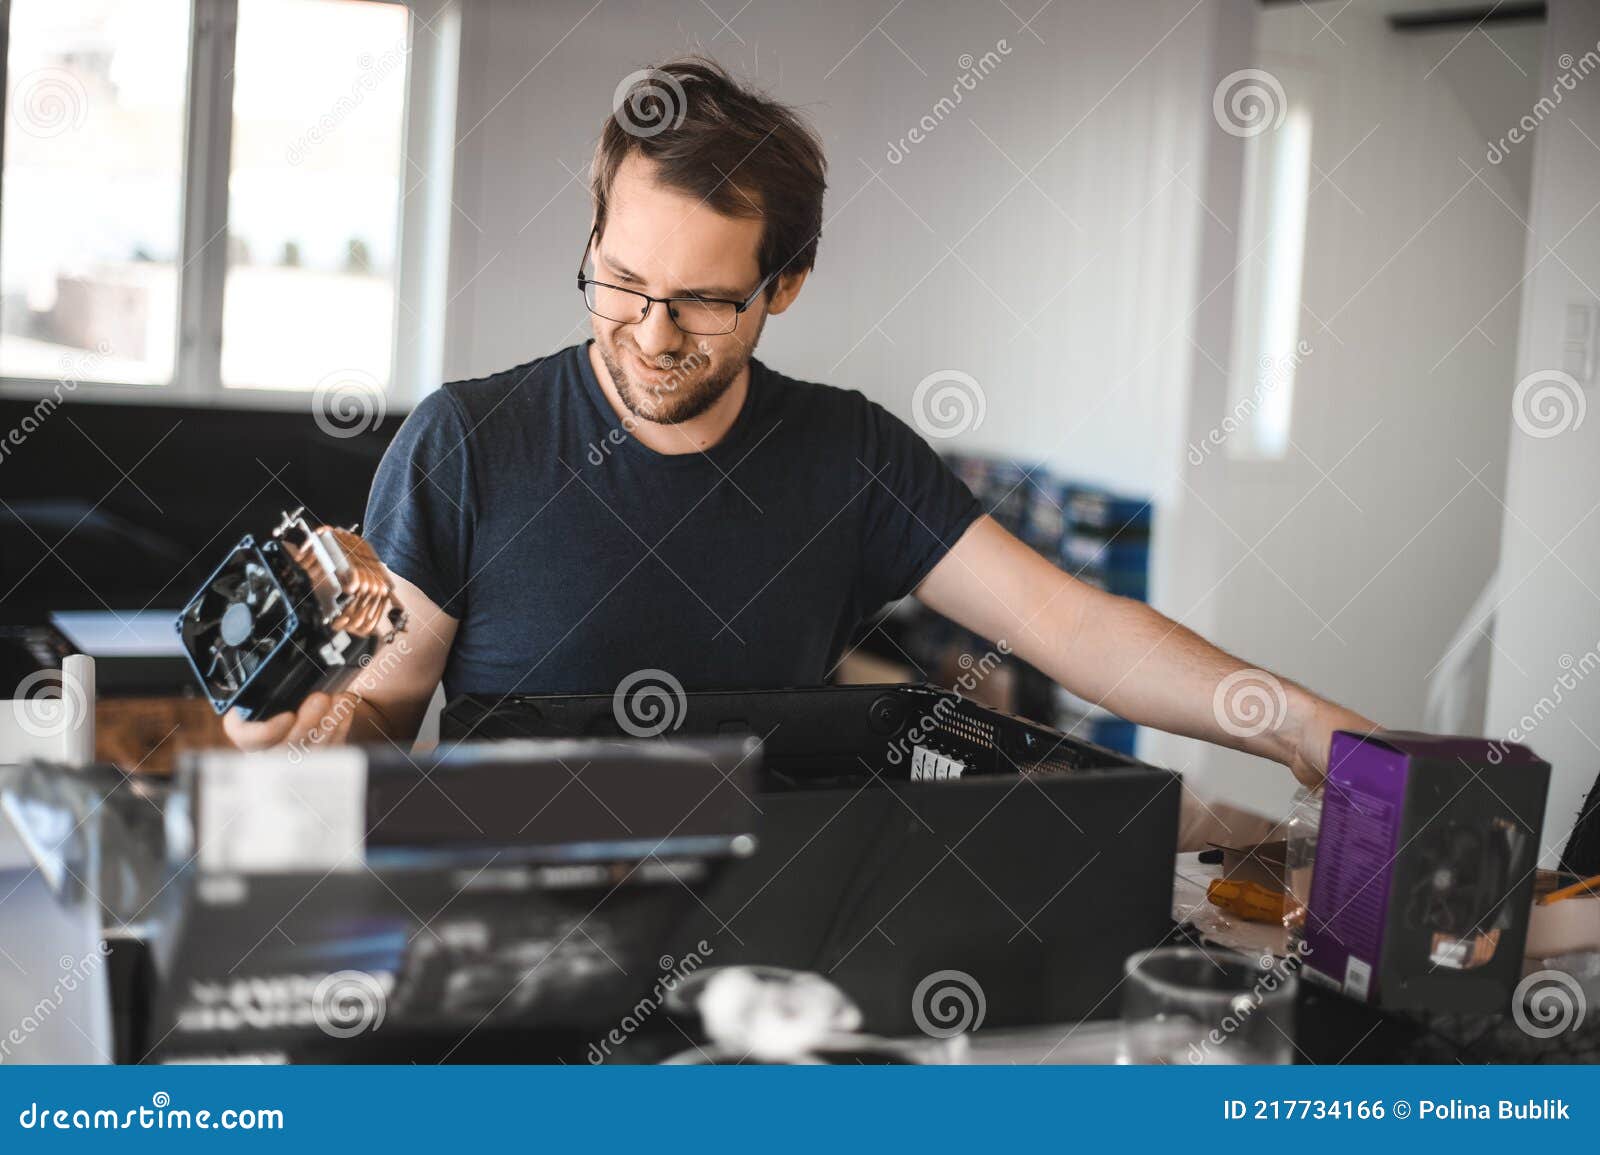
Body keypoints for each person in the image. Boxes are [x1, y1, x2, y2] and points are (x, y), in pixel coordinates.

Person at [226, 57, 1374, 788]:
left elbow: (1077, 630)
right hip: (517, 965)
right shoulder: (466, 442)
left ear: (788, 283)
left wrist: (1310, 732)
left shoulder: (851, 456)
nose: (653, 332)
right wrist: (286, 734)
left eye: (707, 300)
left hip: (777, 959)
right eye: (622, 280)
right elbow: (375, 731)